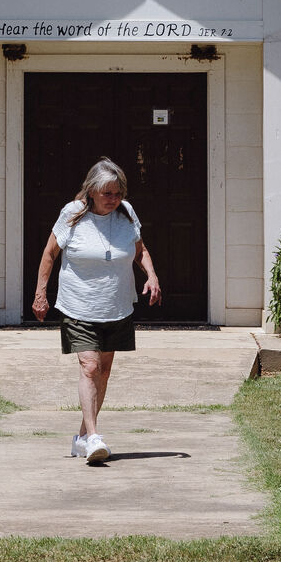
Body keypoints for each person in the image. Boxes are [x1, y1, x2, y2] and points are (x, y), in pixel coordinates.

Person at [30, 158, 162, 464]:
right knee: (89, 367)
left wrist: (152, 276)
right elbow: (50, 253)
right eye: (107, 194)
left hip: (115, 306)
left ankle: (81, 437)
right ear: (91, 191)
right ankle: (94, 438)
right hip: (78, 305)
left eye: (118, 193)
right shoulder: (73, 214)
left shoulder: (127, 214)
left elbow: (140, 251)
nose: (114, 199)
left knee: (102, 372)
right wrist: (40, 294)